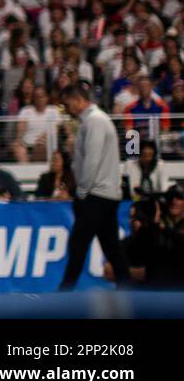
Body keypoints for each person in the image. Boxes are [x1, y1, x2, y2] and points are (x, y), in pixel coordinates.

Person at [57, 83, 131, 290]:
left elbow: (92, 161)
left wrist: (81, 193)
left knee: (78, 241)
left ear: (79, 100)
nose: (67, 106)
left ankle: (65, 289)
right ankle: (127, 287)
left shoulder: (95, 121)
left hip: (97, 194)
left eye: (69, 102)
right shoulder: (90, 122)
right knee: (111, 246)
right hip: (103, 193)